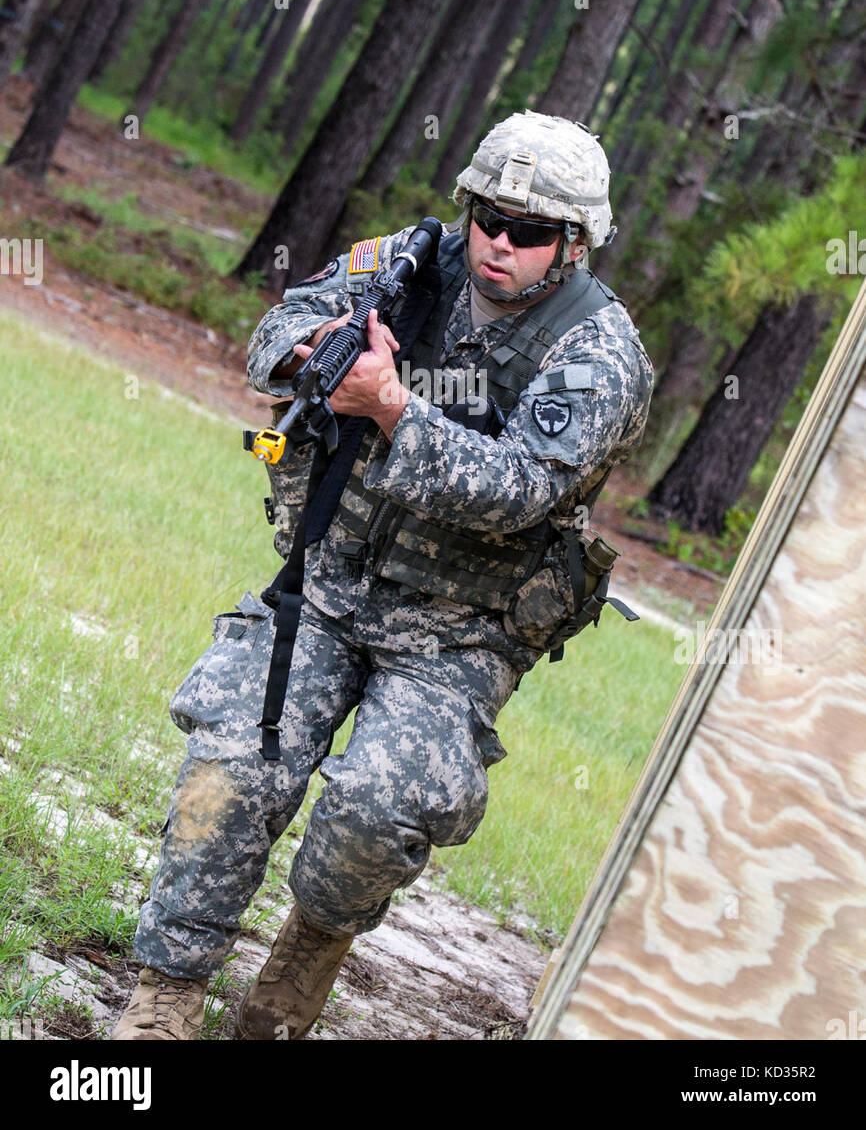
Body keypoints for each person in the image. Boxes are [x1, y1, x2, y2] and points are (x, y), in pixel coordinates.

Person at [111, 110, 654, 1041]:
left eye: (528, 233)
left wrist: (396, 408)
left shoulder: (600, 355)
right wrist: (311, 352)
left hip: (458, 633)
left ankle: (311, 947)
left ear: (573, 244)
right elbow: (272, 330)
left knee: (380, 806)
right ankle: (165, 991)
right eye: (487, 215)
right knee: (233, 762)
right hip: (325, 584)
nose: (498, 243)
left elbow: (518, 488)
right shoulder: (408, 261)